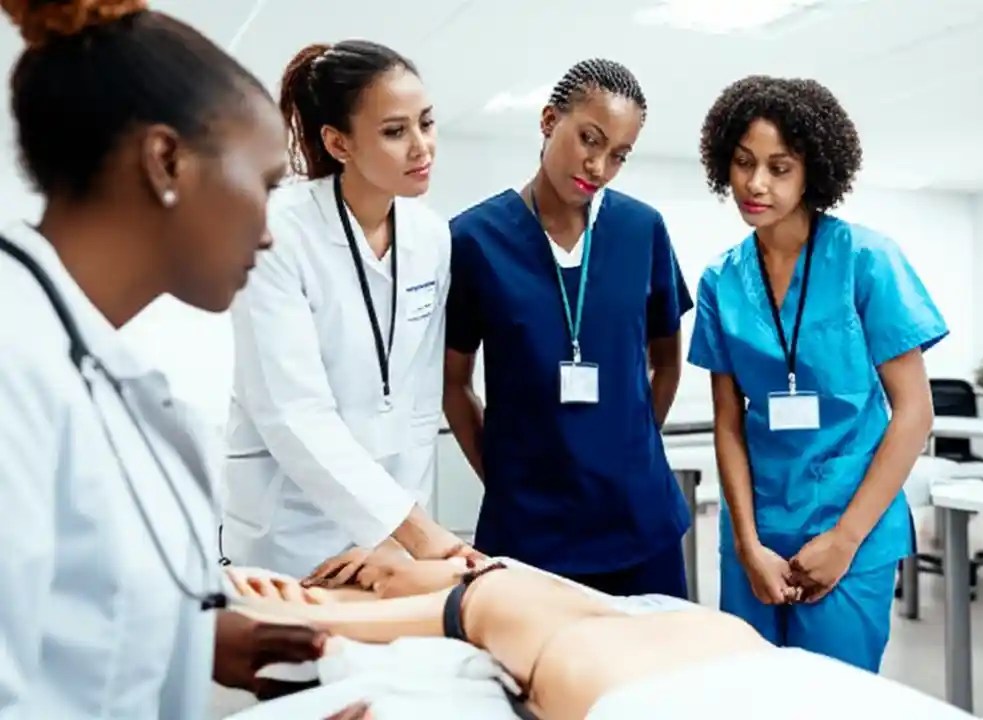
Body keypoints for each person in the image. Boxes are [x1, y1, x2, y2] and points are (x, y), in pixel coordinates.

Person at [0, 1, 365, 716]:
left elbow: (74, 618)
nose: (268, 235)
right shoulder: (13, 365)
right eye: (263, 186)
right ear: (166, 161)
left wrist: (193, 640)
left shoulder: (99, 368)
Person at [685, 75, 948, 671]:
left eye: (780, 167)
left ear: (813, 173)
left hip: (848, 529)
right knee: (749, 694)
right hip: (756, 531)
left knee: (834, 697)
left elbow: (915, 413)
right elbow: (728, 423)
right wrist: (749, 546)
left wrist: (845, 540)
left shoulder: (867, 260)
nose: (755, 183)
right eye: (743, 162)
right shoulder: (720, 280)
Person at [220, 40, 478, 582]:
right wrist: (413, 532)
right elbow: (293, 412)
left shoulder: (430, 236)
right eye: (394, 131)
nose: (421, 147)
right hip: (289, 530)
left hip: (393, 532)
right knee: (301, 661)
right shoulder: (276, 232)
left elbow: (416, 403)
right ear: (339, 143)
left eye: (426, 123)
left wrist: (402, 540)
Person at [444, 58, 694, 597]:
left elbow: (667, 359)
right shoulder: (474, 239)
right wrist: (504, 476)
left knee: (651, 673)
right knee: (529, 677)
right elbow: (453, 382)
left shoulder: (641, 230)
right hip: (528, 532)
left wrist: (632, 446)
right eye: (589, 139)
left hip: (638, 522)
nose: (599, 165)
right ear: (548, 119)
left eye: (619, 155)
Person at [229, 558, 951, 720]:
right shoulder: (493, 599)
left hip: (774, 680)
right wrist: (319, 608)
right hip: (724, 682)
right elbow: (308, 628)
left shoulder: (507, 590)